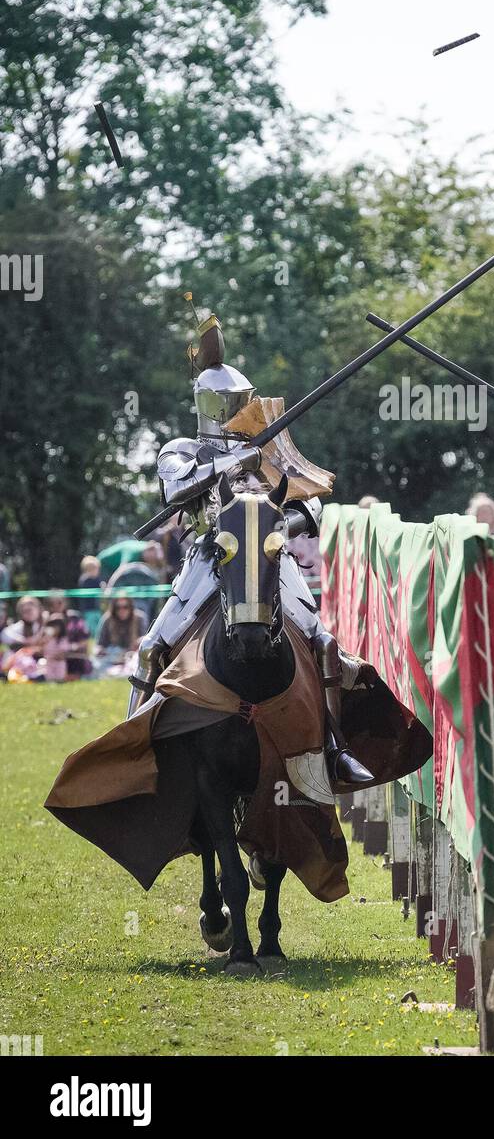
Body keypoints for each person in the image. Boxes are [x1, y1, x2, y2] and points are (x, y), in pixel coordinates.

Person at [128, 302, 371, 785]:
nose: (238, 408)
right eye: (231, 401)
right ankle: (132, 752)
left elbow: (311, 504)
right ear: (209, 404)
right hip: (211, 556)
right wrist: (234, 463)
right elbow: (177, 490)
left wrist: (275, 526)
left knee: (323, 643)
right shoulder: (182, 449)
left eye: (242, 399)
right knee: (152, 647)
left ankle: (335, 748)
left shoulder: (270, 445)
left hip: (269, 557)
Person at [95, 596, 148, 675]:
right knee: (96, 666)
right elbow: (99, 644)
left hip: (133, 657)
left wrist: (138, 642)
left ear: (130, 607)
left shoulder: (140, 618)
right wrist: (101, 651)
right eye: (118, 608)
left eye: (125, 607)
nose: (122, 610)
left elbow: (146, 640)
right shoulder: (107, 619)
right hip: (111, 657)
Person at [1, 595, 46, 681]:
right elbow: (4, 635)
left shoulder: (44, 624)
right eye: (25, 610)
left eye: (31, 608)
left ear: (38, 609)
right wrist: (24, 641)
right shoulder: (18, 626)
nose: (28, 611)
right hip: (20, 661)